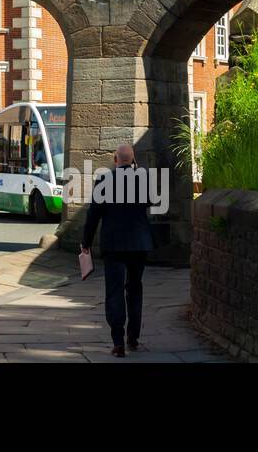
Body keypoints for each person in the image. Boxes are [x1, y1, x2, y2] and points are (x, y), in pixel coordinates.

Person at [81, 142, 155, 357]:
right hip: (139, 244)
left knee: (114, 290)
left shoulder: (104, 179)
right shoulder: (143, 178)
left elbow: (93, 214)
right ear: (132, 160)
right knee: (135, 288)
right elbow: (150, 202)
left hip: (113, 245)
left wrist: (86, 242)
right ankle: (133, 337)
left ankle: (117, 341)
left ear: (115, 160)